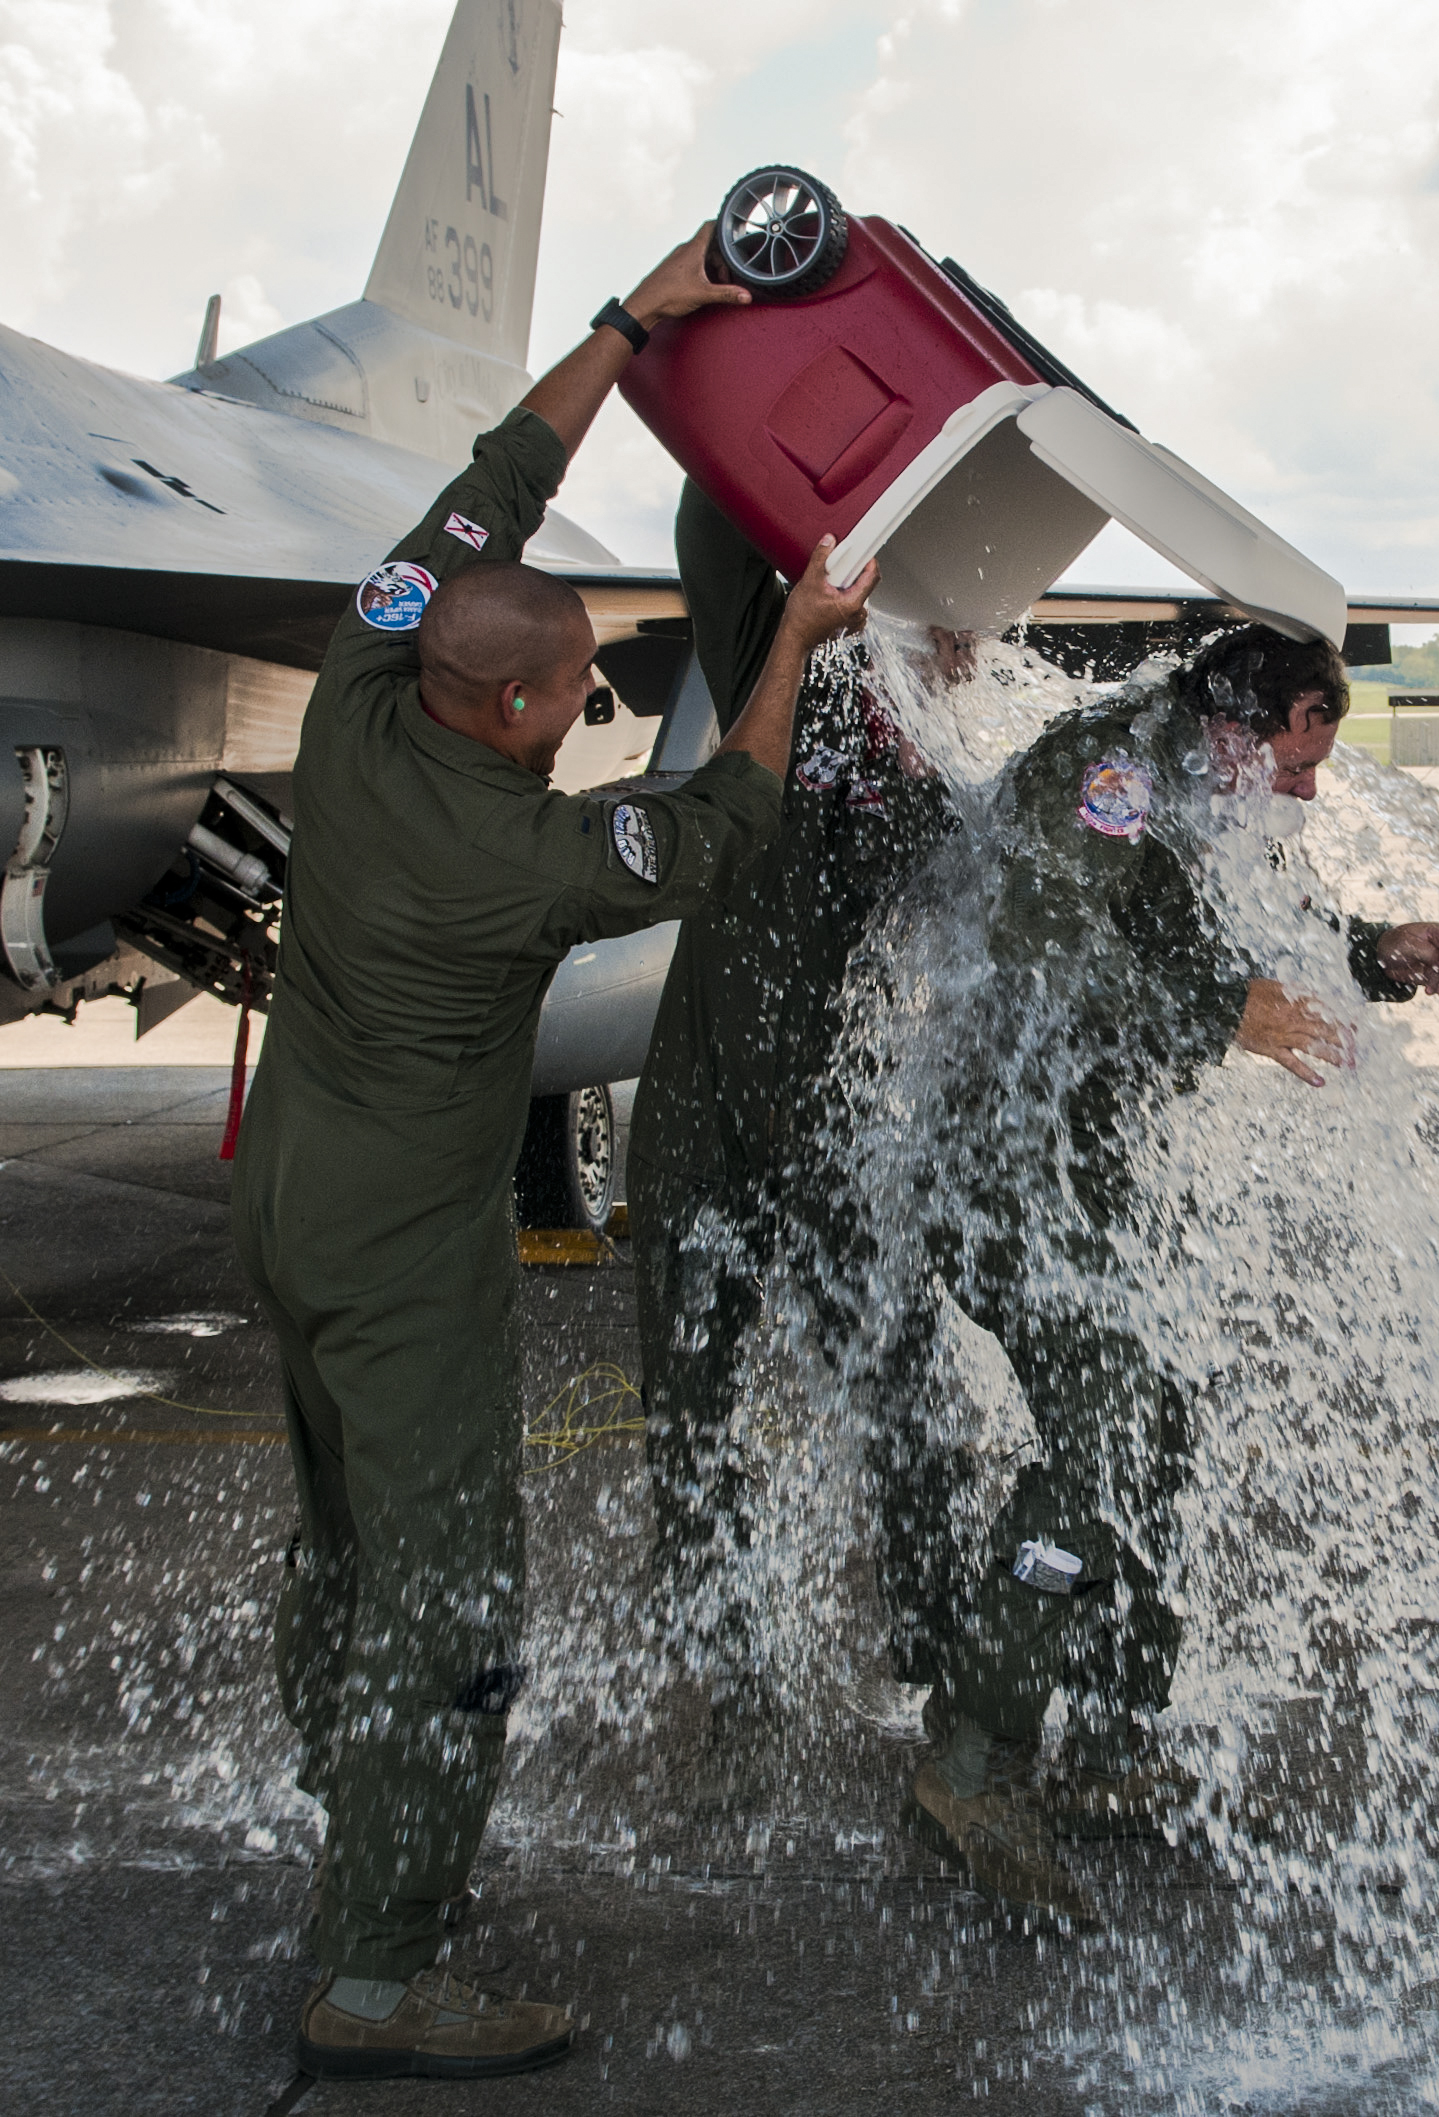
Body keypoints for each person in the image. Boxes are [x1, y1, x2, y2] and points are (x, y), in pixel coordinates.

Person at [231, 229, 877, 2081]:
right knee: (452, 1598)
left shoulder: (358, 684)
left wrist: (625, 323)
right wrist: (792, 645)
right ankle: (379, 1971)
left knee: (344, 1541)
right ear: (513, 709)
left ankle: (350, 1799)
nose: (583, 709)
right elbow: (719, 820)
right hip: (404, 1262)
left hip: (283, 1212)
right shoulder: (521, 863)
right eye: (575, 691)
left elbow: (489, 486)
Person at [884, 625, 1439, 1923]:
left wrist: (1372, 954)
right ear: (1237, 728)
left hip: (1087, 1165)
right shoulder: (1114, 773)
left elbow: (1247, 925)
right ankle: (969, 1760)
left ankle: (1110, 1746)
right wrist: (1226, 1015)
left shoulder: (1202, 786)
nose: (1305, 788)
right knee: (1101, 1433)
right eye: (1297, 761)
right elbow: (1041, 940)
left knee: (1153, 1432)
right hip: (1006, 1165)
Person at [628, 481, 959, 1612]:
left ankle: (932, 1629)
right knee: (690, 1404)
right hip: (703, 1121)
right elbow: (714, 529)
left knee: (903, 1392)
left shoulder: (936, 798)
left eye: (962, 637)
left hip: (842, 1140)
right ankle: (714, 1636)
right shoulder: (784, 694)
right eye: (938, 630)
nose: (956, 653)